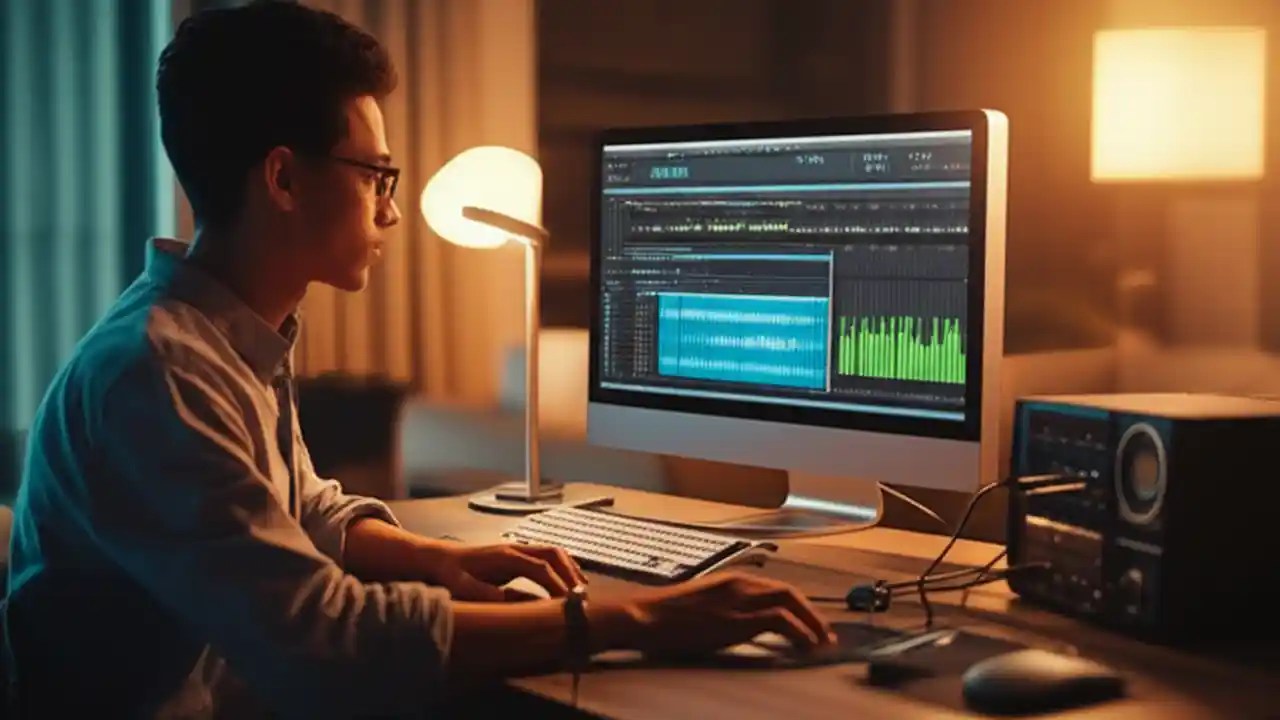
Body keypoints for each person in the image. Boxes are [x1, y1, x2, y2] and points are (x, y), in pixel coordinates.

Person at [1, 1, 834, 718]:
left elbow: (302, 512)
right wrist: (640, 620)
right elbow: (327, 637)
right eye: (377, 177)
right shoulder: (158, 374)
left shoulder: (222, 335)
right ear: (284, 180)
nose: (392, 213)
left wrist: (442, 558)